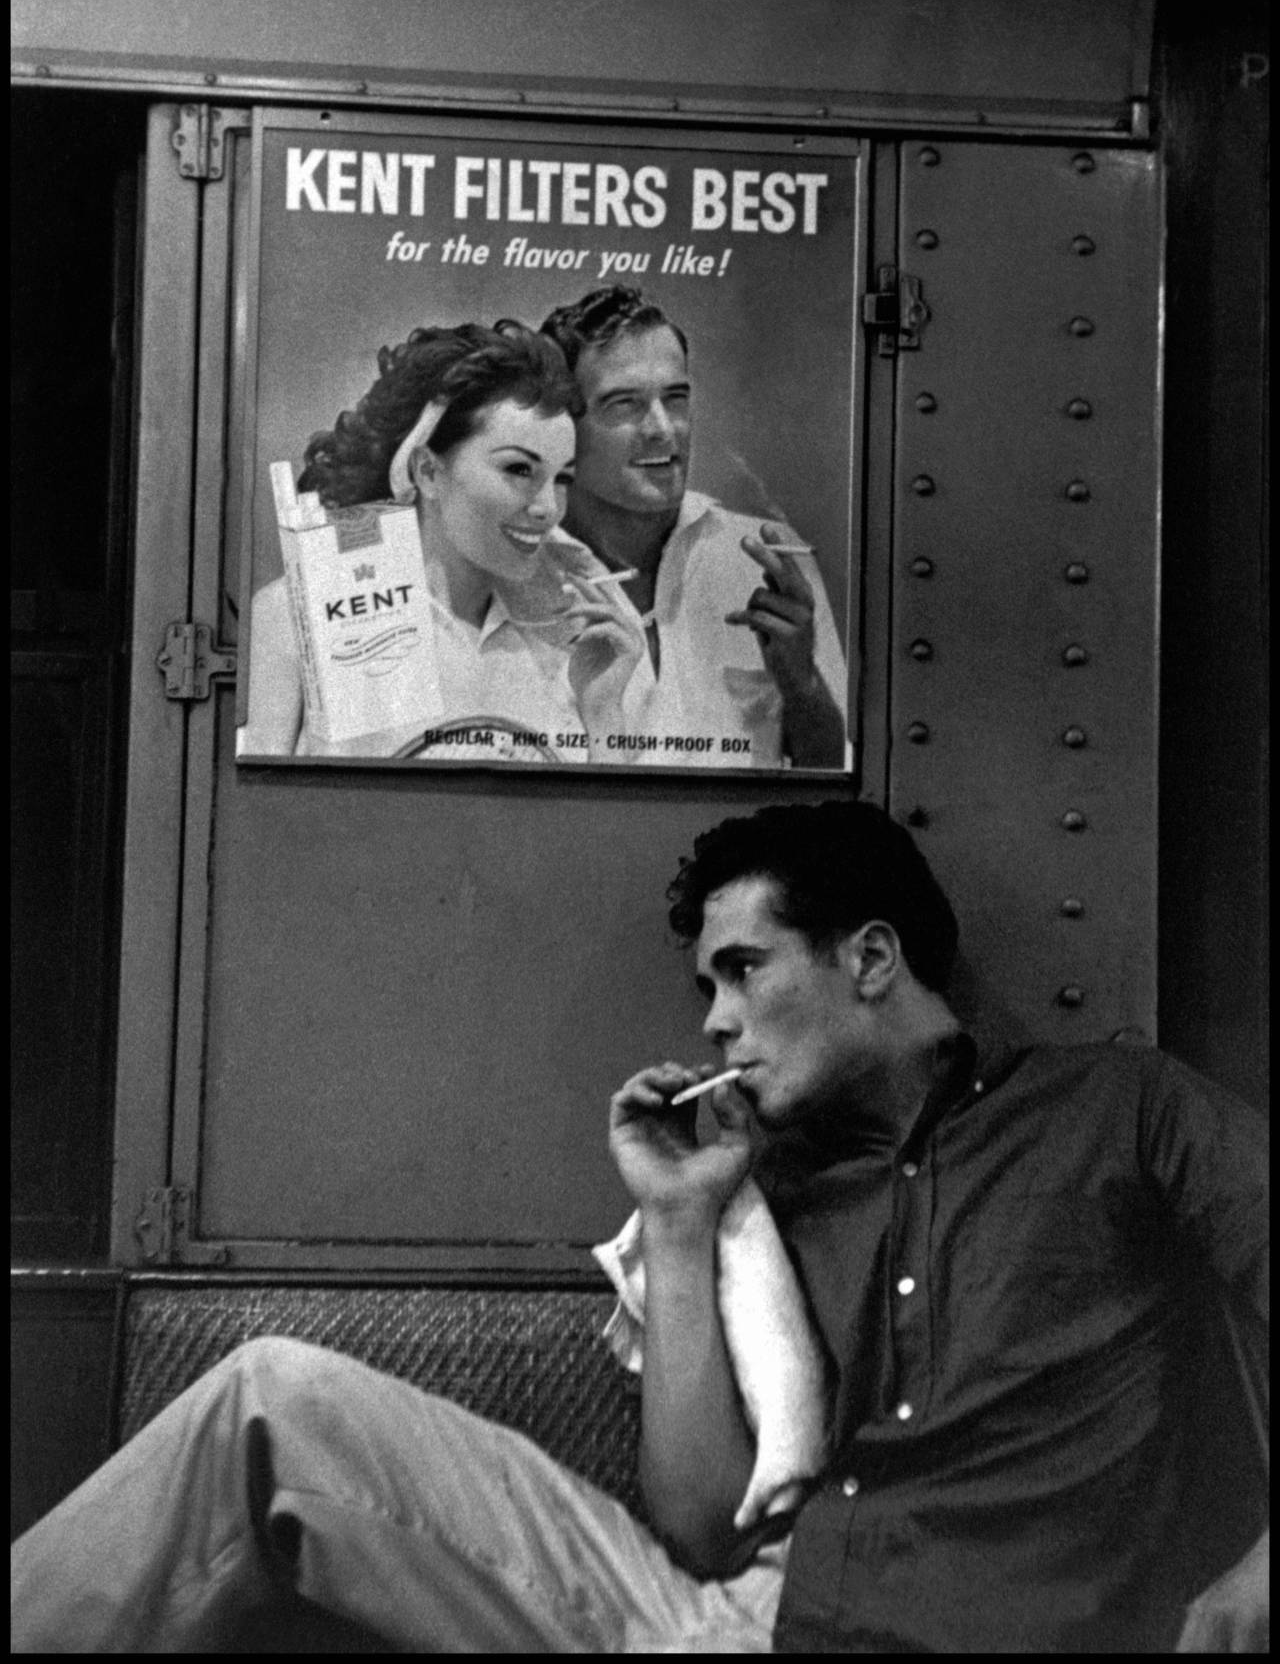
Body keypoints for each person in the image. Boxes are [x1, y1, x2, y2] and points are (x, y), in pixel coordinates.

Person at [11, 803, 1268, 1652]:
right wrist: (678, 1222)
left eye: (743, 969)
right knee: (268, 1400)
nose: (715, 1021)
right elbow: (702, 1529)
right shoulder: (768, 1203)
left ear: (870, 959)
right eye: (704, 988)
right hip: (736, 1629)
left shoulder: (1118, 1110)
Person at [238, 321, 643, 763]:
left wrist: (603, 710)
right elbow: (256, 805)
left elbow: (605, 827)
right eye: (519, 470)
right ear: (427, 472)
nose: (548, 508)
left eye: (561, 478)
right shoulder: (301, 609)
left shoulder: (572, 636)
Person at [539, 286, 849, 770]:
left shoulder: (770, 561)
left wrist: (803, 684)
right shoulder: (516, 566)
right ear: (562, 428)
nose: (663, 428)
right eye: (624, 404)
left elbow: (832, 779)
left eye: (676, 398)